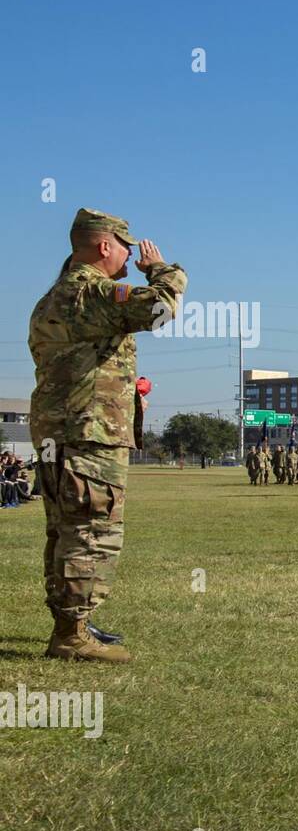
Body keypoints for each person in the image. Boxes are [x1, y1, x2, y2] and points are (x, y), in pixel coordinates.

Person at [28, 208, 186, 662]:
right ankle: (71, 636)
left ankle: (72, 622)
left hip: (60, 430)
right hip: (88, 433)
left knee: (64, 530)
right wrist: (160, 269)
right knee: (92, 530)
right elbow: (160, 308)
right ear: (104, 246)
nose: (130, 255)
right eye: (126, 247)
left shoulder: (53, 297)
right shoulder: (95, 291)